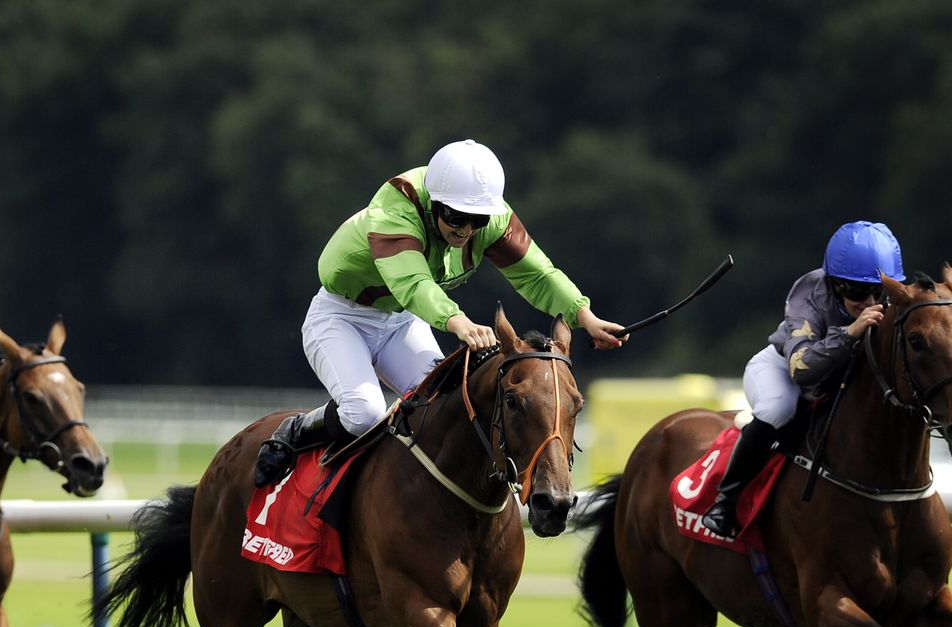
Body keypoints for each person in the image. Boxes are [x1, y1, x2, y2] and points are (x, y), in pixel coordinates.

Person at [253, 138, 628, 487]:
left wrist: (585, 317)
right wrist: (459, 322)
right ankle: (299, 428)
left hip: (400, 322)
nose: (466, 229)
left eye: (476, 221)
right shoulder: (395, 208)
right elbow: (413, 285)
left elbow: (538, 274)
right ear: (433, 203)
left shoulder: (487, 212)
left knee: (443, 410)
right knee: (365, 413)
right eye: (455, 217)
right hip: (340, 318)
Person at [699, 220, 900, 538]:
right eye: (859, 291)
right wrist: (850, 333)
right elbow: (802, 369)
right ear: (835, 284)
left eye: (880, 291)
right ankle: (725, 502)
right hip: (783, 369)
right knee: (780, 408)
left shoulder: (885, 302)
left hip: (837, 379)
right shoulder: (809, 293)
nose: (871, 302)